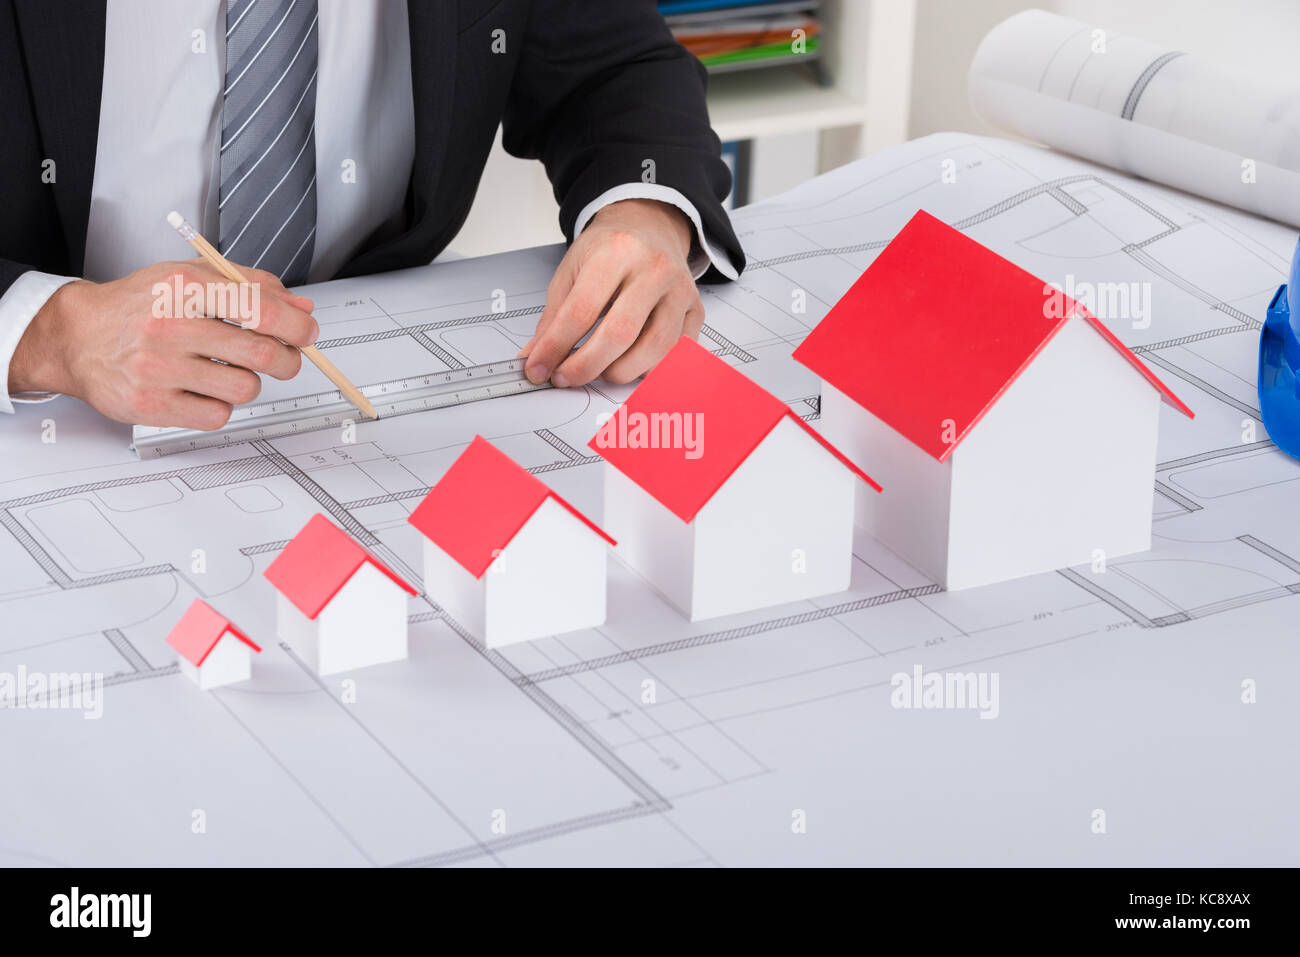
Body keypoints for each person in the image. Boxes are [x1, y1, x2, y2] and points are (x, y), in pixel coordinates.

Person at [0, 0, 744, 428]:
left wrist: (642, 215)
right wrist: (49, 333)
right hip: (55, 419)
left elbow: (613, 69)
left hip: (358, 390)